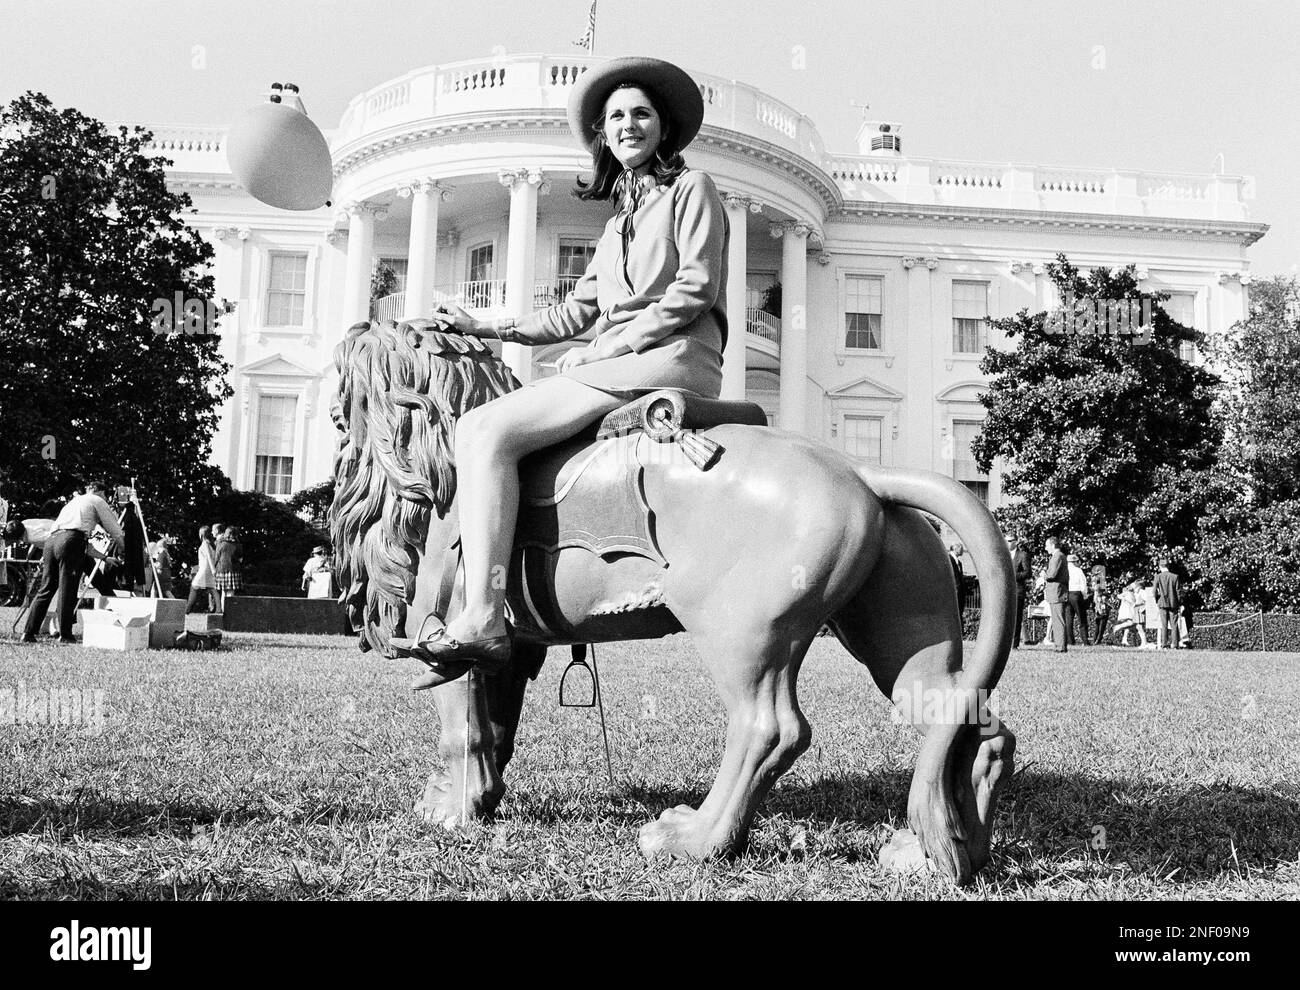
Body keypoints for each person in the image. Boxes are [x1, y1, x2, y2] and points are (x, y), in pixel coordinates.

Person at [390, 56, 727, 672]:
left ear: (664, 127)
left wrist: (611, 347)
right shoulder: (616, 225)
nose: (628, 125)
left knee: (483, 429)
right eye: (616, 117)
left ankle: (485, 614)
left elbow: (696, 289)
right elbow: (573, 314)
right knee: (498, 427)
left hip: (673, 359)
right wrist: (482, 326)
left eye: (641, 114)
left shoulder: (692, 191)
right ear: (603, 133)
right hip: (622, 362)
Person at [21, 480, 125, 644]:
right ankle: (65, 635)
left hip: (52, 541)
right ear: (99, 492)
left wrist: (104, 558)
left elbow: (82, 545)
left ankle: (28, 633)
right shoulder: (97, 500)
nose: (106, 498)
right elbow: (114, 529)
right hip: (70, 542)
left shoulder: (74, 503)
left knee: (46, 588)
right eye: (105, 494)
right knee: (67, 589)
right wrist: (122, 548)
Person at [1042, 536, 1069, 653]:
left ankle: (1060, 646)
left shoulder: (1057, 557)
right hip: (1058, 591)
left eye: (1047, 545)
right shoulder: (1061, 556)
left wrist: (1044, 574)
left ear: (1053, 545)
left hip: (1056, 591)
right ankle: (1060, 644)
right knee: (1058, 619)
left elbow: (1052, 574)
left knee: (1058, 620)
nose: (1045, 548)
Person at [187, 526, 218, 614]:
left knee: (194, 587)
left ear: (201, 534)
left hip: (204, 570)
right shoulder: (212, 545)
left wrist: (213, 569)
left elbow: (208, 557)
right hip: (208, 570)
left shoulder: (205, 544)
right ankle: (219, 609)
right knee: (212, 589)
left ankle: (187, 609)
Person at [1008, 534, 1032, 648]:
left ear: (1016, 542)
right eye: (1005, 540)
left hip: (1018, 590)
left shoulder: (1023, 555)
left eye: (1009, 541)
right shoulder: (1003, 554)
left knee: (1016, 618)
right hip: (1006, 592)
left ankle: (1014, 643)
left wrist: (1013, 576)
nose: (1007, 543)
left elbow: (1028, 573)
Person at [1153, 558, 1182, 650]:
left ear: (1160, 566)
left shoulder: (1158, 577)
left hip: (1162, 603)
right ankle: (1175, 645)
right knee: (1174, 625)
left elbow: (1154, 591)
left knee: (1164, 625)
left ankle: (1164, 645)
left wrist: (1157, 600)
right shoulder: (1175, 577)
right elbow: (1178, 592)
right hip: (1173, 604)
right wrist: (1179, 603)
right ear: (1168, 566)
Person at [214, 525, 243, 612]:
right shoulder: (238, 545)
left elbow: (216, 558)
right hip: (234, 570)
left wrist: (214, 569)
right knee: (231, 592)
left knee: (223, 592)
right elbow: (240, 559)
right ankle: (229, 611)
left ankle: (223, 610)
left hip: (221, 570)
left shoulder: (220, 544)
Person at [1065, 552, 1090, 645]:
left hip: (1068, 594)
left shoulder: (1065, 571)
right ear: (1075, 562)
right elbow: (1083, 584)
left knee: (1069, 618)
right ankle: (1085, 640)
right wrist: (1085, 595)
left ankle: (1070, 641)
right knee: (1081, 618)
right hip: (1077, 594)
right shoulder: (1078, 571)